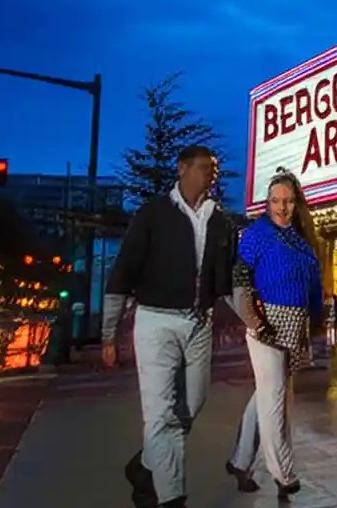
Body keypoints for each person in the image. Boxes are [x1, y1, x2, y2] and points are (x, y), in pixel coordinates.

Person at [102, 145, 236, 508]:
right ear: (182, 169)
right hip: (156, 322)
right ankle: (171, 498)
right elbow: (123, 272)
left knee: (192, 403)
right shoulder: (153, 214)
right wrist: (109, 333)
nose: (213, 175)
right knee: (161, 414)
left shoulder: (220, 220)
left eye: (216, 169)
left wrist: (241, 317)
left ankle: (145, 466)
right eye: (207, 168)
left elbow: (228, 279)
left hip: (199, 324)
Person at [225, 169, 323, 499]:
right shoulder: (257, 234)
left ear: (296, 204)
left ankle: (240, 460)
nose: (281, 208)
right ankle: (283, 472)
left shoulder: (300, 239)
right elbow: (239, 277)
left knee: (266, 395)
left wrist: (315, 321)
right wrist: (253, 319)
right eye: (275, 201)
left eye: (288, 202)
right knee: (276, 399)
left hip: (295, 326)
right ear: (267, 203)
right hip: (266, 324)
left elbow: (313, 285)